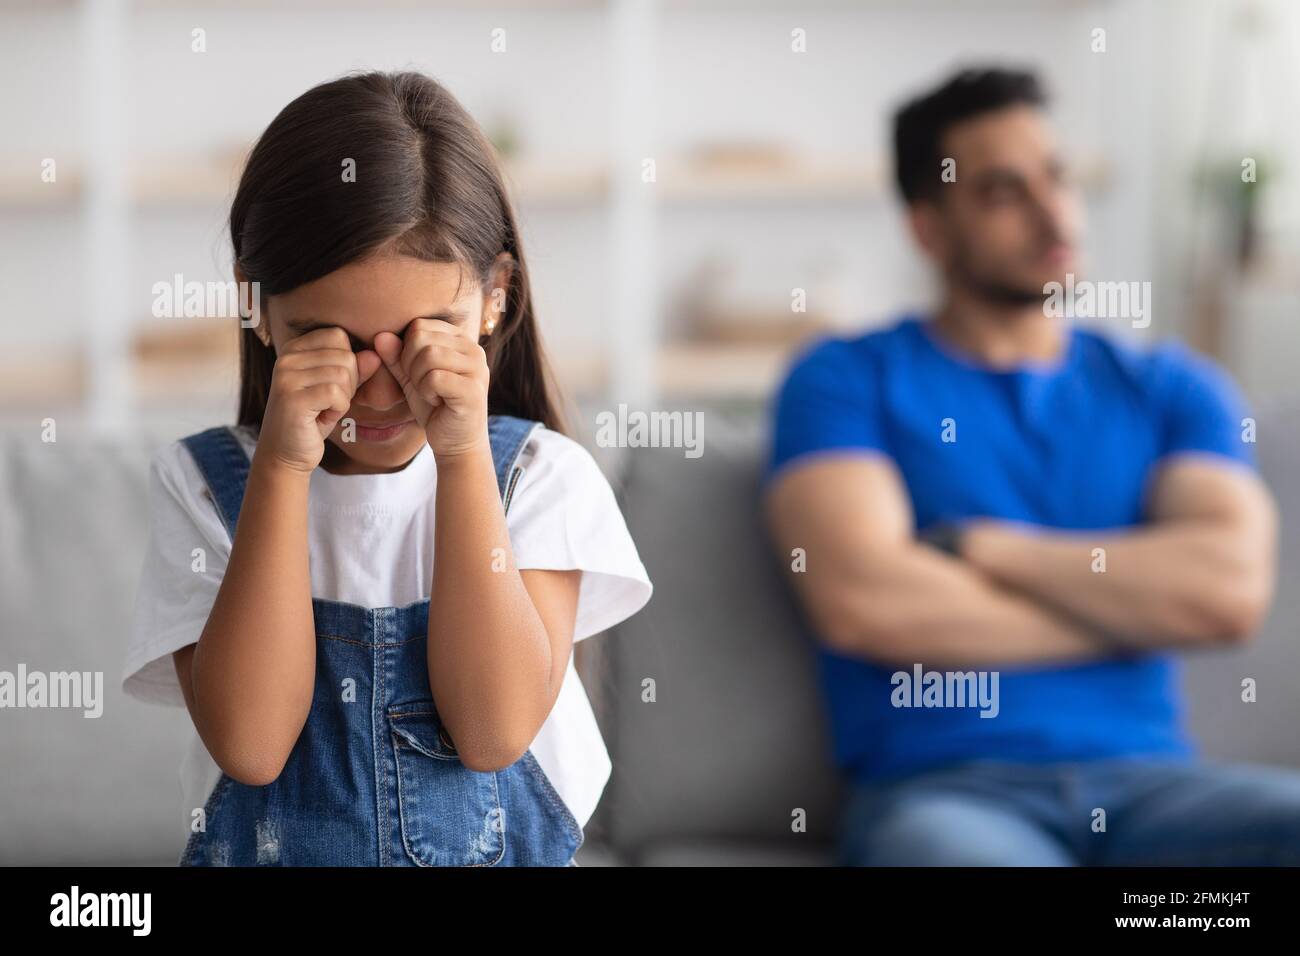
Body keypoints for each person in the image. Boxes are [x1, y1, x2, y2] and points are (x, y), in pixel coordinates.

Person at [763, 67, 1300, 865]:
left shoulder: (1171, 386)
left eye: (1057, 177)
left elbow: (1227, 594)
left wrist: (983, 549)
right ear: (929, 229)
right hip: (948, 795)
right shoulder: (843, 378)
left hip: (1160, 793)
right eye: (1002, 191)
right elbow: (868, 605)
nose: (1053, 211)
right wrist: (1134, 607)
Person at [121, 71, 652, 866]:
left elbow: (495, 730)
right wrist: (280, 469)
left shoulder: (541, 478)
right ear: (255, 305)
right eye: (323, 338)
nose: (375, 383)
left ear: (494, 299)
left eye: (425, 333)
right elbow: (253, 746)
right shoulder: (203, 484)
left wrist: (465, 455)